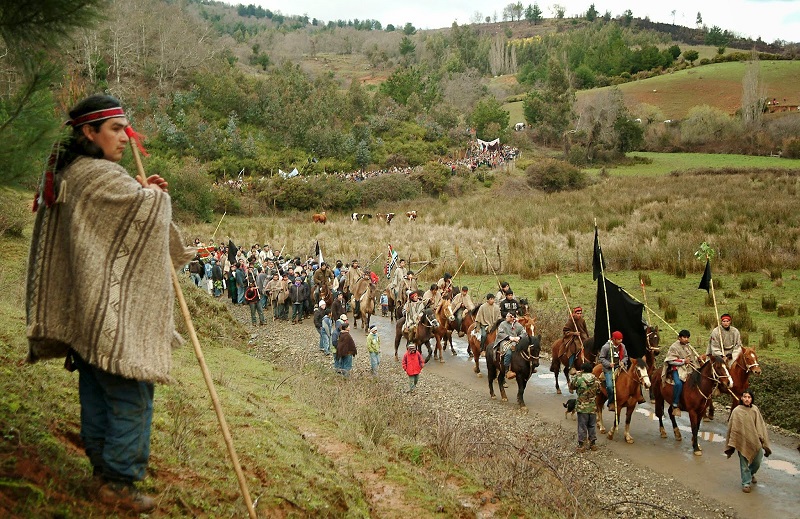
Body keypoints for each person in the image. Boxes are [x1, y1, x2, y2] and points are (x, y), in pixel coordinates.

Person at [26, 94, 195, 513]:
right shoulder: (98, 176)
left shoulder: (76, 173)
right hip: (115, 322)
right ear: (89, 131)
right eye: (116, 130)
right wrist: (152, 199)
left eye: (125, 130)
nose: (125, 139)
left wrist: (139, 193)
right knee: (130, 396)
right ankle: (118, 481)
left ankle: (102, 473)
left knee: (98, 393)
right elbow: (146, 216)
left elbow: (118, 216)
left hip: (88, 313)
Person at [725, 389, 772, 493]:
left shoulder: (755, 410)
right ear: (741, 398)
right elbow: (732, 428)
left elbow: (760, 425)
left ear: (751, 399)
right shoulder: (737, 411)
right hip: (741, 442)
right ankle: (746, 483)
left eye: (749, 397)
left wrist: (762, 439)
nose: (746, 399)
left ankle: (750, 474)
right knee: (744, 464)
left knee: (758, 461)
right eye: (745, 397)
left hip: (755, 441)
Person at [664, 329, 697, 417]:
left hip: (689, 368)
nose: (686, 339)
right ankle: (675, 404)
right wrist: (683, 361)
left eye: (687, 337)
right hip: (677, 368)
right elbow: (670, 360)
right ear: (679, 338)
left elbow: (692, 358)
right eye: (684, 337)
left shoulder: (688, 347)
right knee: (678, 383)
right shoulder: (674, 347)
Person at [569, 361, 600, 452]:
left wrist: (575, 375)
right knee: (592, 425)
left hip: (582, 407)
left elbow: (572, 386)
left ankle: (581, 445)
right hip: (592, 406)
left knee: (582, 426)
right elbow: (598, 391)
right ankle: (593, 444)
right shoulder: (595, 379)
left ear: (582, 370)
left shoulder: (579, 379)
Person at [598, 331, 628, 411]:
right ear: (614, 339)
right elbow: (601, 358)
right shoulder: (606, 347)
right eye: (618, 339)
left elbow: (625, 356)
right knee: (610, 386)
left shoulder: (622, 346)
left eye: (621, 339)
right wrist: (608, 364)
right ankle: (610, 402)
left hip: (620, 367)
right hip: (608, 369)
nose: (620, 341)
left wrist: (623, 362)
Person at [496, 312, 525, 379]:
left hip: (516, 341)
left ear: (512, 317)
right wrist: (509, 337)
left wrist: (519, 337)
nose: (506, 317)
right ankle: (507, 370)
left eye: (508, 316)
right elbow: (500, 333)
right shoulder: (503, 324)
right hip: (505, 341)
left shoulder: (518, 325)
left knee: (525, 350)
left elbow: (524, 333)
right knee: (508, 352)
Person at [561, 306, 590, 370]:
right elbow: (565, 331)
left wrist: (587, 337)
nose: (579, 315)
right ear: (574, 313)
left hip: (582, 337)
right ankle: (571, 365)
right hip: (573, 338)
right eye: (577, 313)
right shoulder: (570, 321)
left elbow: (585, 330)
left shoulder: (582, 320)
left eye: (580, 313)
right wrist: (574, 333)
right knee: (573, 348)